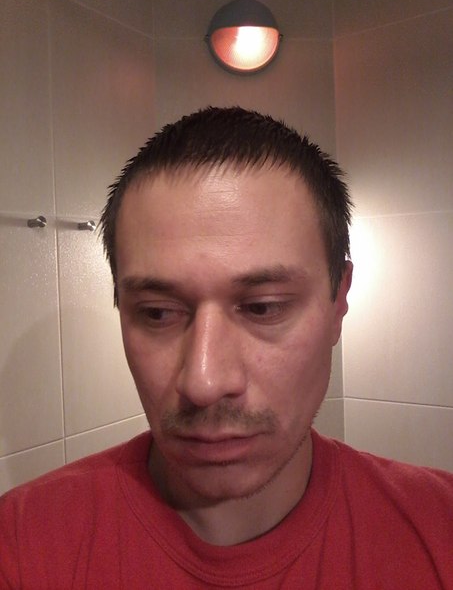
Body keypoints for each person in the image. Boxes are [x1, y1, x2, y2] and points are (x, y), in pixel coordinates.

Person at [1, 107, 452, 589]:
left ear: (339, 298)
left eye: (263, 307)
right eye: (157, 313)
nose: (204, 382)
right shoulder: (23, 545)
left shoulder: (438, 530)